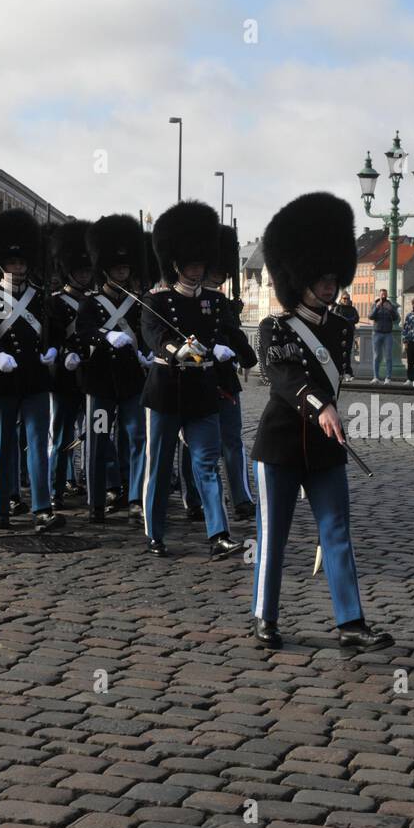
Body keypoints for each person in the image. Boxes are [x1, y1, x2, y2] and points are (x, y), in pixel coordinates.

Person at [250, 191, 393, 654]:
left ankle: (350, 621)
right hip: (281, 446)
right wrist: (320, 404)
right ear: (300, 280)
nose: (330, 286)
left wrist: (327, 410)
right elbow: (283, 376)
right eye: (321, 279)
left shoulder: (340, 326)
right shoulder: (276, 328)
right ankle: (265, 616)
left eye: (333, 278)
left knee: (337, 532)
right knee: (274, 537)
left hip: (326, 448)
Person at [141, 200, 244, 560]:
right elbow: (153, 336)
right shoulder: (156, 300)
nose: (197, 270)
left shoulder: (215, 303)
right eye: (191, 264)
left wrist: (223, 349)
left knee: (207, 464)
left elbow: (228, 336)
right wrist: (176, 350)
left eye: (201, 264)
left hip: (202, 392)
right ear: (176, 264)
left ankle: (218, 534)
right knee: (158, 464)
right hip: (167, 389)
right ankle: (154, 533)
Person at [0, 209, 65, 532]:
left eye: (22, 263)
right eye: (13, 263)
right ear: (1, 264)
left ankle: (42, 507)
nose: (18, 268)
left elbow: (53, 332)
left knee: (38, 443)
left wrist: (53, 349)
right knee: (3, 444)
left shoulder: (40, 298)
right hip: (3, 380)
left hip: (35, 378)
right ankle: (1, 508)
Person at [75, 214, 149, 524]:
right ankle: (95, 501)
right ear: (106, 270)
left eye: (126, 268)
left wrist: (146, 353)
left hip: (132, 381)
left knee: (137, 438)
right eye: (118, 269)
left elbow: (146, 335)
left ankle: (135, 497)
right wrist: (107, 336)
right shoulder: (91, 302)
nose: (123, 272)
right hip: (102, 381)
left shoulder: (138, 303)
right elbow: (83, 332)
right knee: (99, 439)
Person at [202, 224, 258, 520]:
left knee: (233, 440)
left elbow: (234, 335)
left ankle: (241, 497)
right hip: (197, 377)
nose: (217, 276)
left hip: (223, 378)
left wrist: (246, 358)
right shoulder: (179, 300)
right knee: (197, 447)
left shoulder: (223, 302)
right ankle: (196, 501)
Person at [44, 221, 94, 510]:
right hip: (64, 377)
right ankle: (56, 486)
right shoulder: (55, 303)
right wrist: (63, 352)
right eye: (81, 271)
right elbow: (51, 337)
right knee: (61, 435)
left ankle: (97, 483)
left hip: (91, 374)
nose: (85, 276)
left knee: (96, 434)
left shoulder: (96, 302)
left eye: (88, 271)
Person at [369, 287, 398, 383]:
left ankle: (388, 378)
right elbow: (371, 316)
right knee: (377, 356)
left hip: (388, 334)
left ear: (387, 295)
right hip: (377, 333)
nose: (383, 296)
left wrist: (391, 310)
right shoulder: (375, 304)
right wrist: (377, 308)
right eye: (382, 294)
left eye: (385, 294)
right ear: (379, 295)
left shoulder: (390, 305)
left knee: (388, 356)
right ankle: (375, 377)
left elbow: (396, 318)